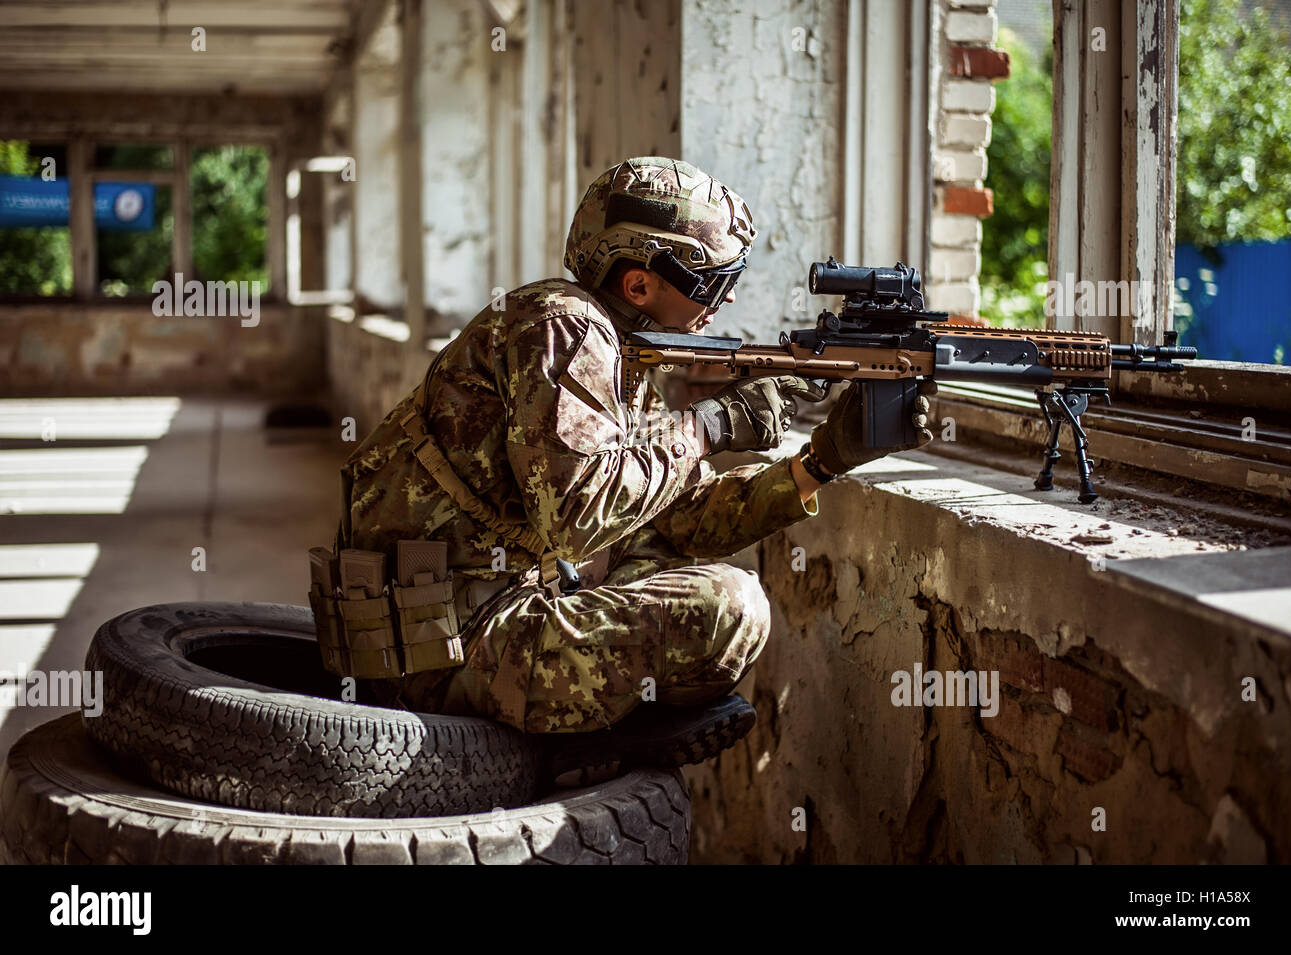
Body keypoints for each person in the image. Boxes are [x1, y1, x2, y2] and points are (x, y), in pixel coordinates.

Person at [330, 156, 934, 780]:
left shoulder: (618, 352)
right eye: (711, 283)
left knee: (673, 561)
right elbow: (577, 518)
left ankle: (582, 728)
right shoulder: (562, 326)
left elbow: (679, 519)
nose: (722, 302)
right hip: (436, 653)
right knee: (732, 606)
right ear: (639, 285)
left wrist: (820, 463)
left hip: (480, 608)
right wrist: (712, 425)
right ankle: (565, 744)